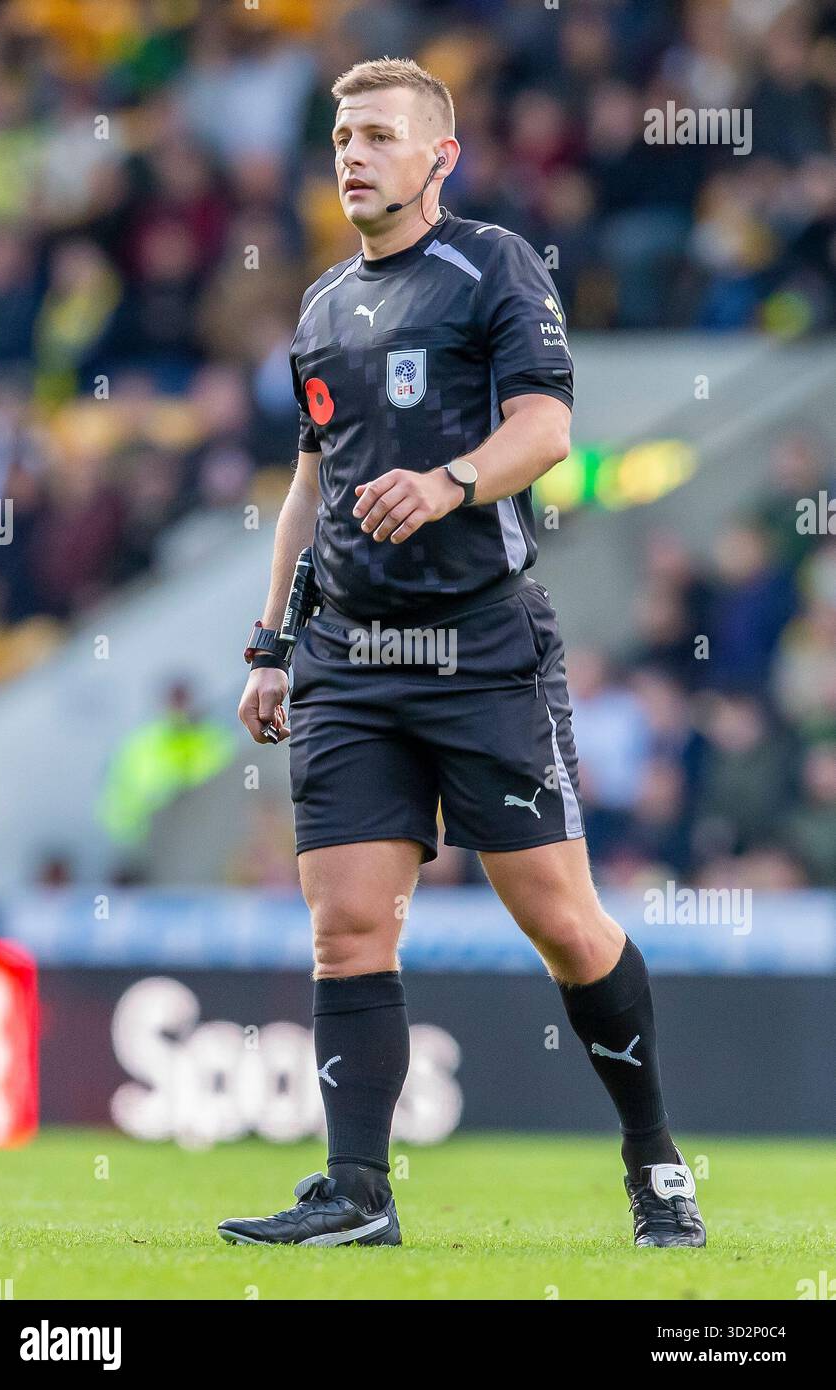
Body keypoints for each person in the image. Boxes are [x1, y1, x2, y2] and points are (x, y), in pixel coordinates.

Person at [219, 57, 705, 1250]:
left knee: (559, 918)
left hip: (480, 647)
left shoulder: (493, 265)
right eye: (341, 134)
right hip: (346, 657)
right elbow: (304, 489)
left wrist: (445, 484)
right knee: (345, 924)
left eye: (378, 133)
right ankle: (356, 1194)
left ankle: (654, 1166)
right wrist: (272, 640)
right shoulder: (322, 303)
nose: (351, 153)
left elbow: (545, 428)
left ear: (439, 155)